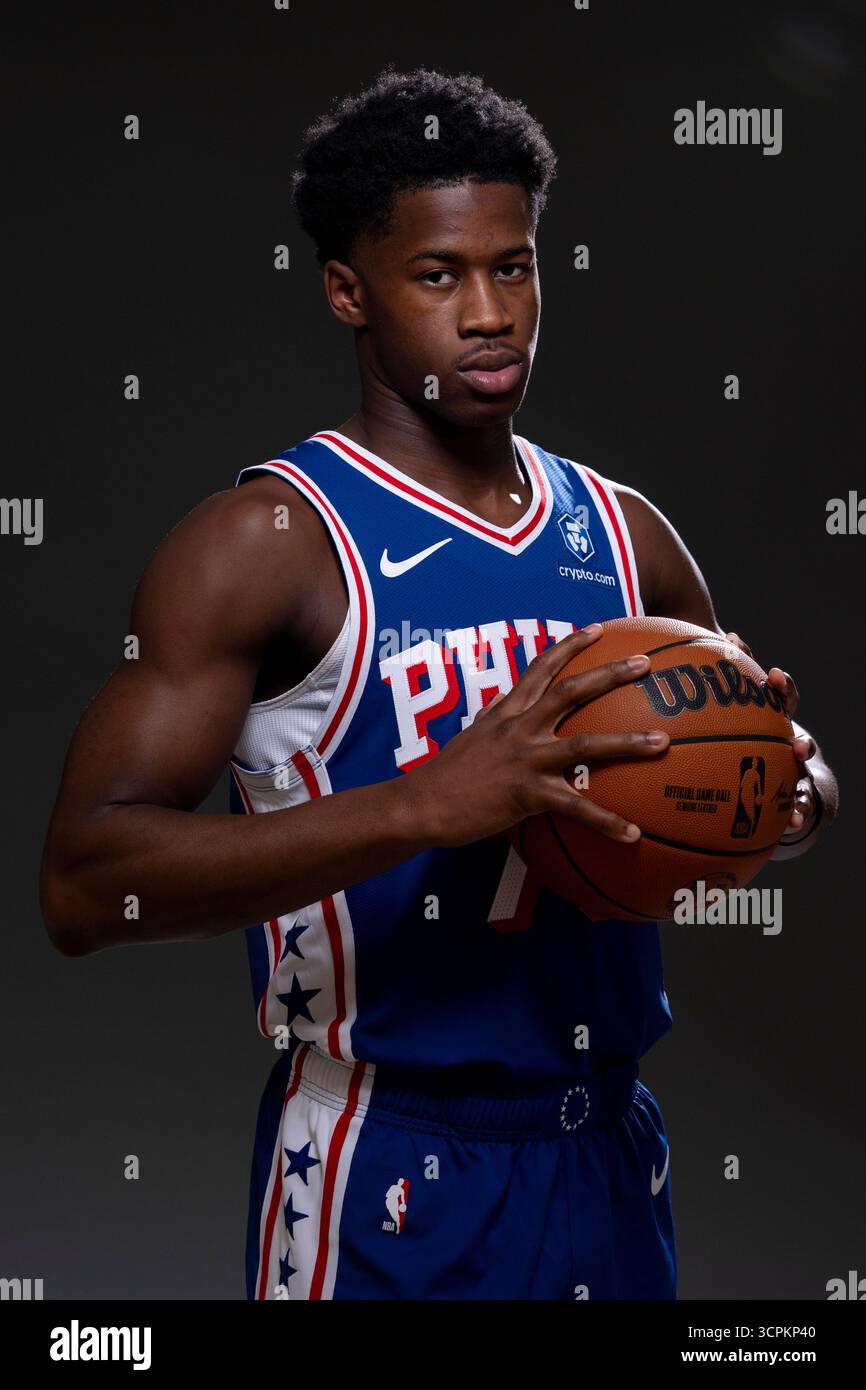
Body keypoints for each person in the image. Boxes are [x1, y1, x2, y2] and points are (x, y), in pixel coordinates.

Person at [40, 67, 837, 1301]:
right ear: (347, 291)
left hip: (608, 1151)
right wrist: (423, 804)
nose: (487, 314)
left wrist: (783, 789)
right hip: (383, 1156)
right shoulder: (268, 544)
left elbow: (773, 769)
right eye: (438, 275)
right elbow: (86, 886)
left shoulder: (626, 536)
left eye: (512, 268)